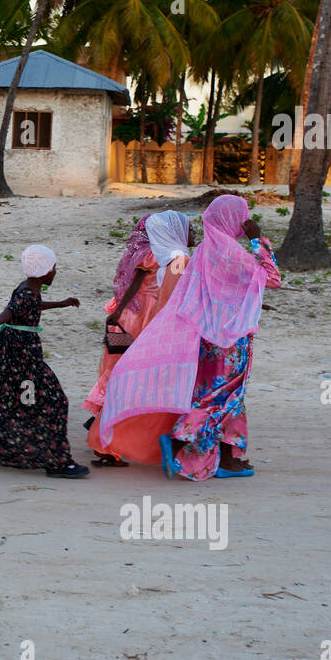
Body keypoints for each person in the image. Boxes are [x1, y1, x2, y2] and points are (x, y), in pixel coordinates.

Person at [98, 195, 281, 481]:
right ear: (235, 219)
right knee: (229, 397)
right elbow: (272, 278)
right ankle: (186, 444)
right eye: (242, 216)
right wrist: (258, 241)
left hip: (205, 339)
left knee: (209, 394)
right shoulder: (232, 252)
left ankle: (224, 456)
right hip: (231, 340)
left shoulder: (204, 252)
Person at [0, 244, 88, 478]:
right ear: (43, 271)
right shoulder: (26, 292)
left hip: (9, 353)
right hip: (20, 355)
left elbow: (29, 305)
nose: (54, 272)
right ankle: (58, 461)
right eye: (53, 268)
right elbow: (10, 311)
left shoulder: (28, 288)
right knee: (52, 401)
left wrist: (61, 303)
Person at [83, 211, 192, 465]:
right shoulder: (178, 259)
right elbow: (175, 295)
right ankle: (110, 436)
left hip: (141, 319)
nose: (193, 232)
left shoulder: (167, 256)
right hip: (154, 323)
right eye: (187, 227)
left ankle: (109, 433)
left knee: (124, 371)